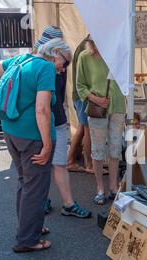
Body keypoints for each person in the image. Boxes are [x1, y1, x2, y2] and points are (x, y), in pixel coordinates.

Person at [0, 38, 72, 253]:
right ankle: (28, 239)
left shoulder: (20, 60)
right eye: (65, 62)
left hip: (12, 131)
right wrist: (48, 144)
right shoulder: (46, 68)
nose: (63, 69)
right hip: (33, 136)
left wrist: (14, 90)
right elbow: (42, 110)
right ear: (56, 52)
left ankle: (29, 228)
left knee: (26, 183)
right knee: (35, 188)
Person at [33, 26, 91, 219]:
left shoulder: (57, 65)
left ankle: (68, 203)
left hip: (54, 119)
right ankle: (44, 200)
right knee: (41, 166)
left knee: (57, 164)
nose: (62, 66)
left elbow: (58, 95)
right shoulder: (38, 64)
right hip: (41, 121)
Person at [76, 38, 126, 205]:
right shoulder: (84, 57)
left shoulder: (117, 54)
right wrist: (95, 98)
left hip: (118, 106)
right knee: (97, 150)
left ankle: (113, 187)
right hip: (98, 109)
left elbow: (126, 79)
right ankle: (100, 189)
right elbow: (80, 85)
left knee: (115, 148)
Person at [67, 34, 94, 174]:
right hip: (83, 95)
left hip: (80, 94)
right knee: (86, 128)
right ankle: (88, 164)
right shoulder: (86, 47)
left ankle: (71, 160)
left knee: (83, 128)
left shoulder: (84, 44)